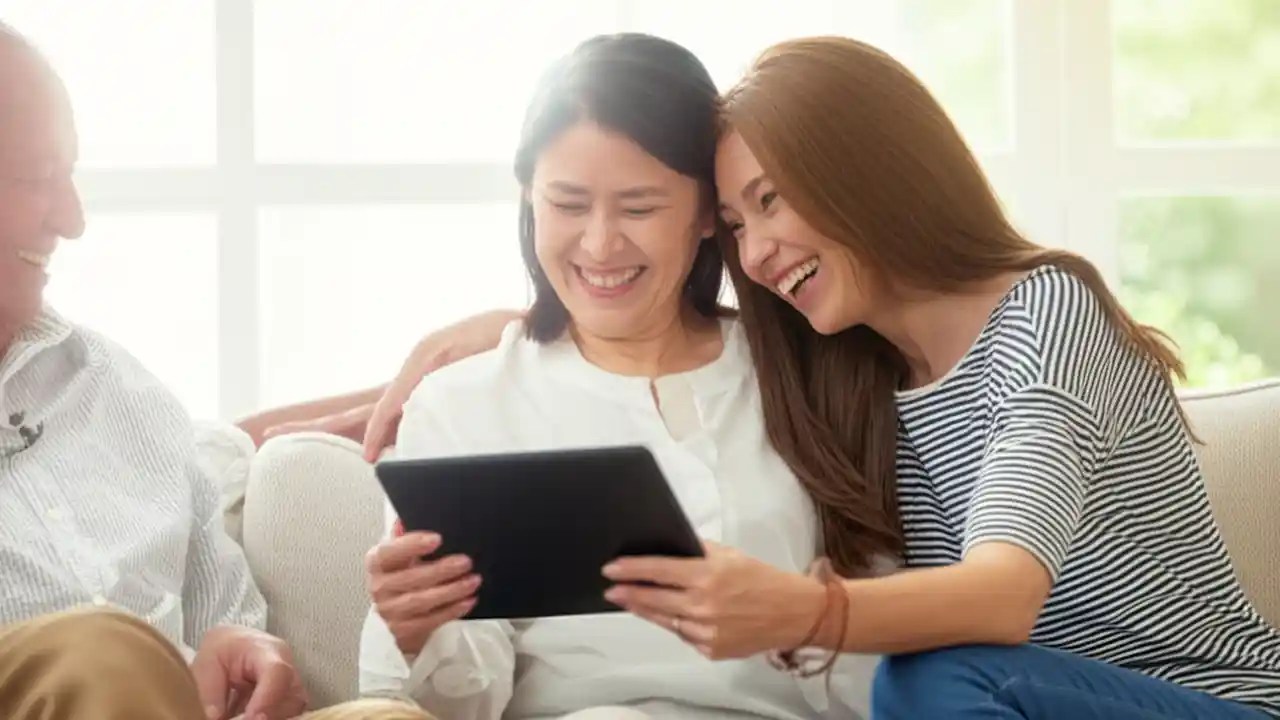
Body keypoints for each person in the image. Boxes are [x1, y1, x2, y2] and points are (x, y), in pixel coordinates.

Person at [364, 36, 1280, 720]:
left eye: (770, 202)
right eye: (741, 221)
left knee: (934, 673)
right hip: (1030, 698)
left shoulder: (998, 328)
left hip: (1192, 698)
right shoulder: (859, 364)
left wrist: (801, 609)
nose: (759, 251)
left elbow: (1001, 597)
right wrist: (519, 329)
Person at [358, 33, 873, 720]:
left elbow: (883, 618)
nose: (600, 244)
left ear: (706, 215)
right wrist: (418, 629)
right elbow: (466, 702)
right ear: (528, 199)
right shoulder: (464, 405)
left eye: (639, 208)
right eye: (568, 204)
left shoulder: (806, 368)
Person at [0, 21, 429, 720]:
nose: (73, 221)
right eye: (35, 179)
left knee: (388, 717)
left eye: (70, 175)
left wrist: (238, 657)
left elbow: (228, 627)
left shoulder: (115, 389)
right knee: (102, 654)